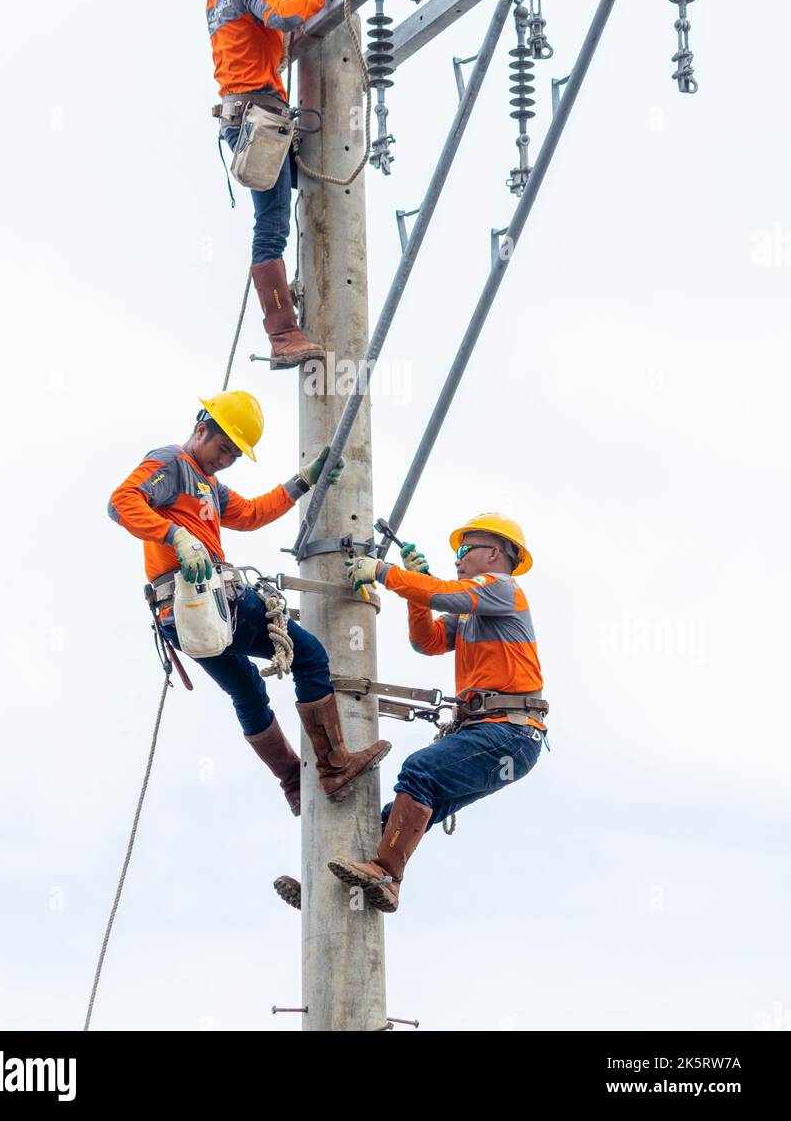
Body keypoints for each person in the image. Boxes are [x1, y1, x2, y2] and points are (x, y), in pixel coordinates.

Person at [108, 389, 390, 815]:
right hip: (203, 605)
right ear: (201, 428)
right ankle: (333, 767)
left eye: (234, 457)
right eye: (223, 449)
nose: (225, 461)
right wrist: (176, 536)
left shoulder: (210, 487)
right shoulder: (171, 463)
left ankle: (294, 781)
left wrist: (305, 479)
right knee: (310, 655)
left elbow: (252, 513)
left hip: (185, 620)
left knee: (246, 688)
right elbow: (121, 502)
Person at [327, 512, 547, 912]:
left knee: (419, 771)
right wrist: (413, 592)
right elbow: (426, 641)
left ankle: (384, 872)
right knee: (407, 807)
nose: (458, 559)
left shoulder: (500, 588)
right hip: (496, 734)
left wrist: (384, 571)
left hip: (510, 731)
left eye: (465, 550)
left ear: (494, 553)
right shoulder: (474, 608)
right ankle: (363, 885)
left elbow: (444, 592)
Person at [207, 0, 337, 367]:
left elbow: (266, 39)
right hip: (259, 117)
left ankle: (286, 323)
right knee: (272, 228)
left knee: (287, 206)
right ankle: (283, 335)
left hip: (243, 118)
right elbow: (282, 15)